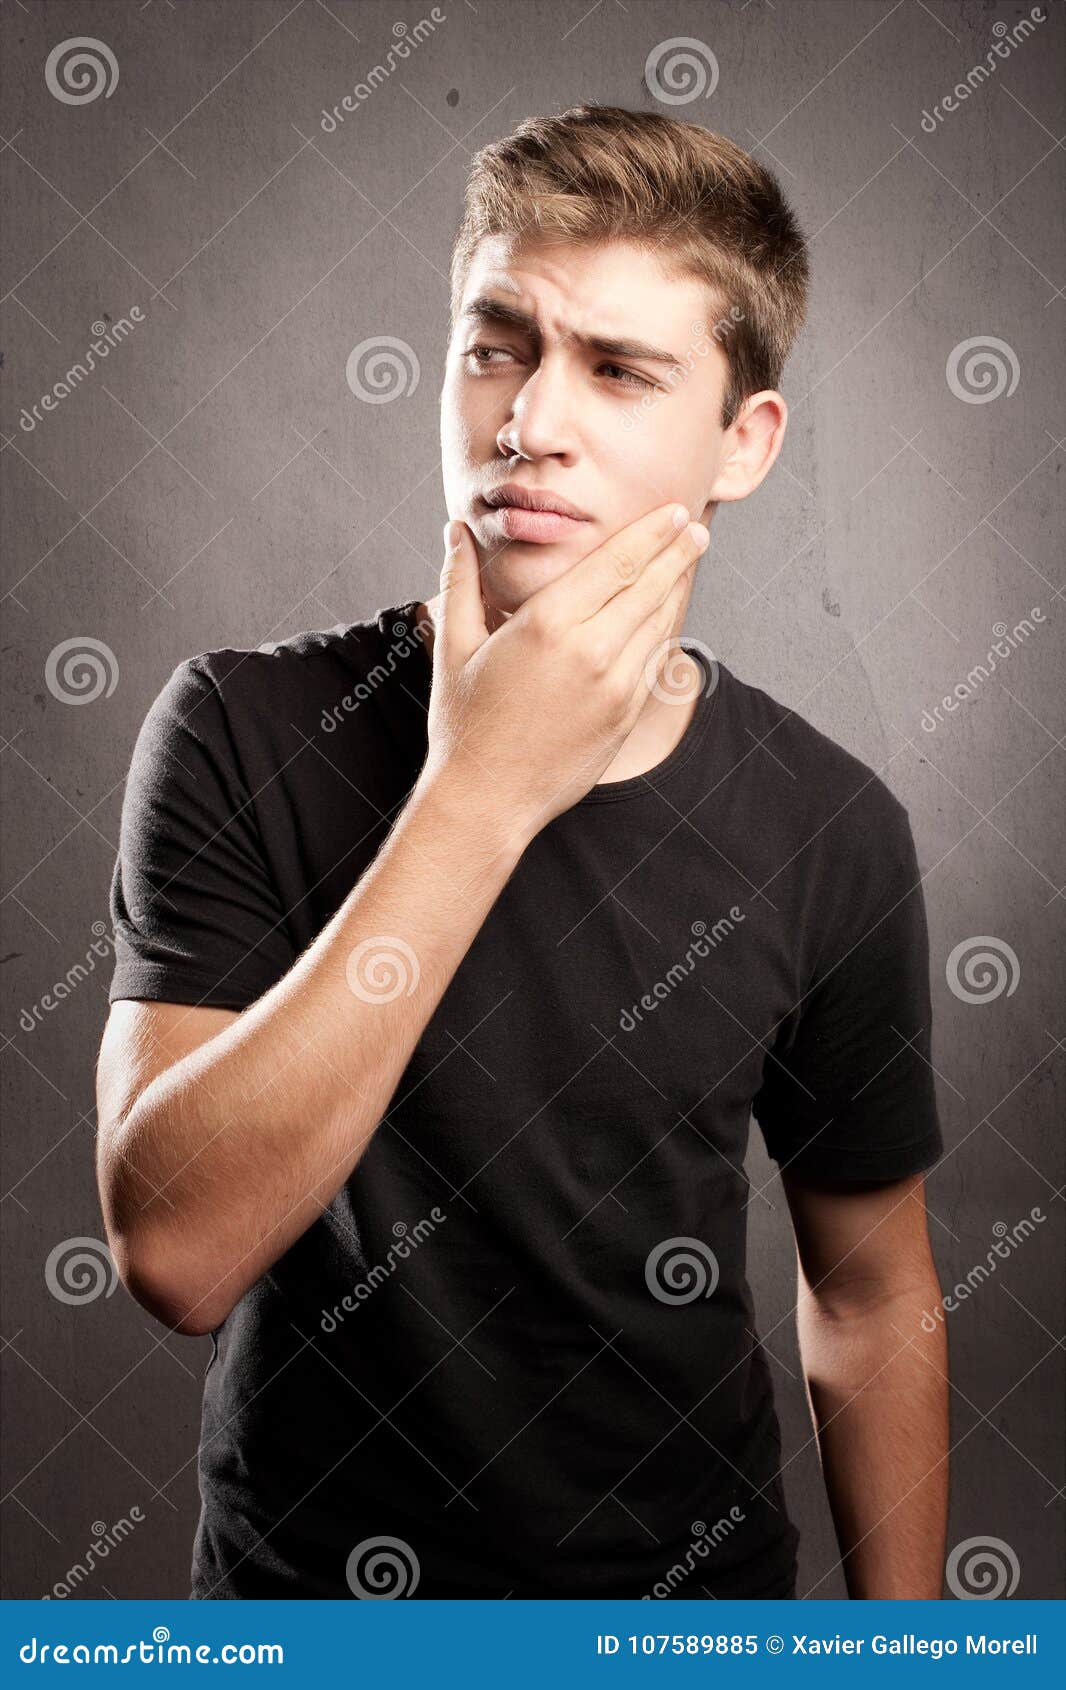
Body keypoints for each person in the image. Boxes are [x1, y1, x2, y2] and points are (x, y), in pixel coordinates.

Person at [96, 105, 948, 1601]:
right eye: (496, 343)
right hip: (313, 1621)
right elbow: (177, 1250)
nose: (526, 420)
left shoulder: (827, 825)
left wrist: (910, 1648)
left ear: (740, 442)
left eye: (617, 369)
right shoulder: (241, 726)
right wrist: (479, 786)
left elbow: (870, 1294)